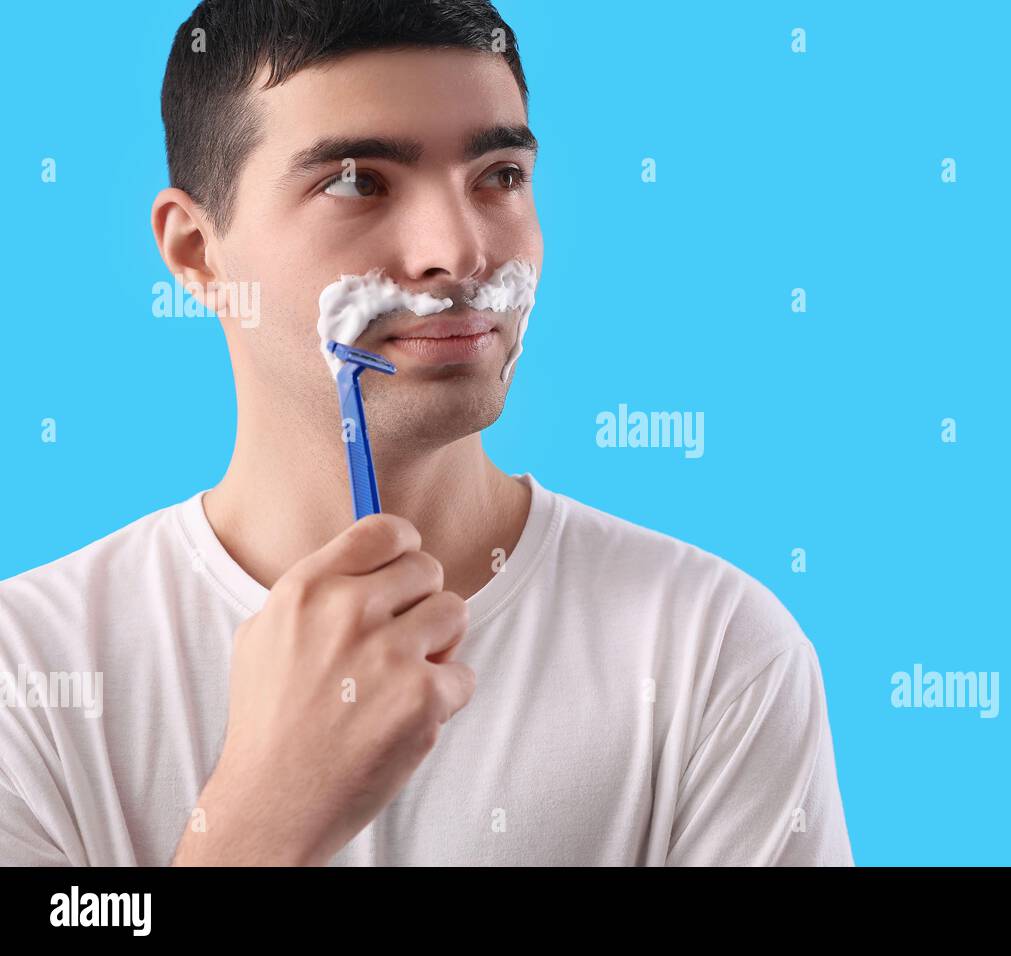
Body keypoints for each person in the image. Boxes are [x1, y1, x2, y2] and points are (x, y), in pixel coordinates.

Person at [0, 0, 853, 866]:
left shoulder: (713, 650)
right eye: (356, 180)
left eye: (500, 175)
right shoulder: (27, 678)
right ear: (196, 253)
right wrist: (262, 819)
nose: (461, 250)